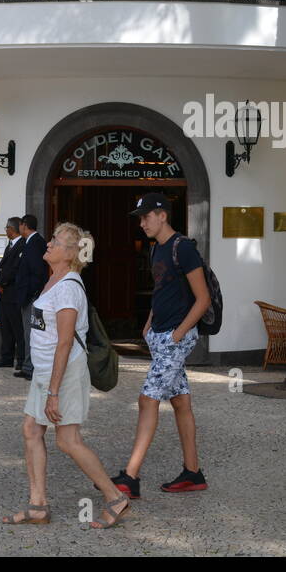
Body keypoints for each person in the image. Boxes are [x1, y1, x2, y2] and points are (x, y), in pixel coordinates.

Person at [2, 223, 129, 529]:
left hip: (64, 374)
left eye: (56, 241)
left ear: (71, 254)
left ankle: (115, 497)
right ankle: (38, 506)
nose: (49, 243)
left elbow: (65, 341)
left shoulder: (70, 287)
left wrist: (54, 392)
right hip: (46, 373)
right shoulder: (53, 281)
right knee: (32, 430)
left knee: (68, 440)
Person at [111, 193, 210, 499]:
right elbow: (162, 289)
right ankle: (193, 473)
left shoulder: (184, 249)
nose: (142, 223)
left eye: (146, 217)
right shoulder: (157, 250)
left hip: (174, 338)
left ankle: (130, 477)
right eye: (139, 218)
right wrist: (150, 321)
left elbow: (203, 298)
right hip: (160, 334)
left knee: (147, 400)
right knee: (180, 402)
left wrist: (179, 334)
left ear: (163, 215)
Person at [0, 218, 27, 372]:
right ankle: (6, 358)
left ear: (12, 229)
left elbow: (14, 269)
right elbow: (3, 266)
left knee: (17, 328)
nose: (5, 230)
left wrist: (1, 283)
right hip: (4, 294)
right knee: (5, 328)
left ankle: (20, 360)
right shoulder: (10, 245)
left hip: (12, 293)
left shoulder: (22, 245)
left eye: (6, 228)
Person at [14, 214, 47, 378]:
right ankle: (28, 366)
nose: (19, 228)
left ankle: (31, 367)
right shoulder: (32, 241)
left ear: (24, 225)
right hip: (29, 295)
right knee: (29, 332)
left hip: (31, 296)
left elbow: (37, 272)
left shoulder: (34, 243)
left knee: (30, 332)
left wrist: (31, 294)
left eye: (20, 225)